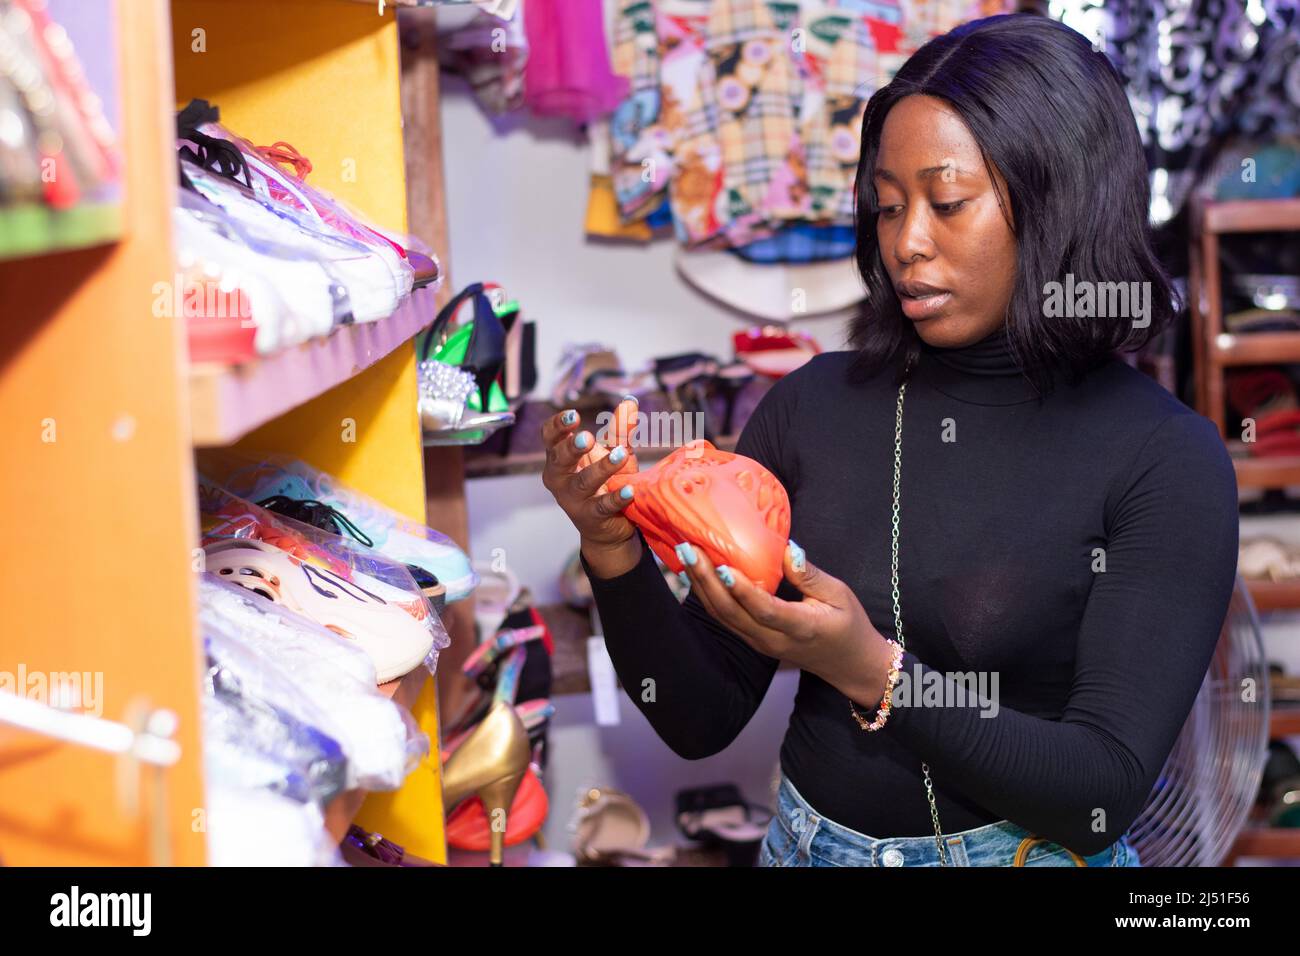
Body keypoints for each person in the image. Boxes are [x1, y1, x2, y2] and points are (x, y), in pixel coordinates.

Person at [539, 13, 1239, 867]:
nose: (907, 243)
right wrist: (612, 551)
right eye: (887, 206)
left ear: (1062, 195)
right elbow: (699, 717)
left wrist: (875, 671)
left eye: (947, 205)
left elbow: (1099, 792)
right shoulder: (810, 408)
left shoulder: (1163, 457)